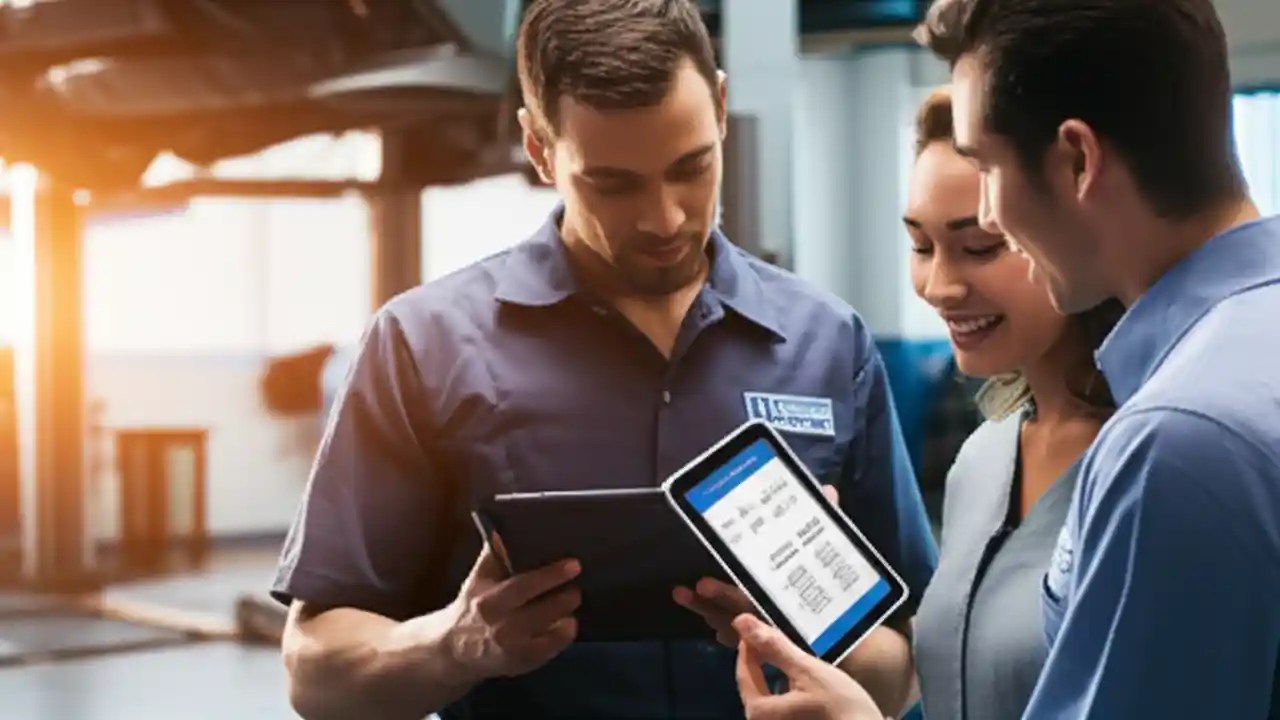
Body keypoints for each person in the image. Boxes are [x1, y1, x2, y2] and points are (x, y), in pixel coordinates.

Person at [272, 1, 937, 718]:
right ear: (539, 147)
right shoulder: (422, 349)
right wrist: (454, 644)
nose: (665, 218)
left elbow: (903, 671)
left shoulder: (828, 345)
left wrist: (811, 625)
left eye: (692, 167)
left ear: (718, 103)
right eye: (612, 184)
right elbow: (316, 674)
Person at [738, 0, 1280, 717]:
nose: (992, 214)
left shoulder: (1176, 439)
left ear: (1078, 160)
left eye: (988, 167)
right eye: (922, 242)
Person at [904, 86, 1123, 720]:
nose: (939, 287)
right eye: (921, 246)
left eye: (980, 247)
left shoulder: (1151, 455)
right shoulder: (982, 459)